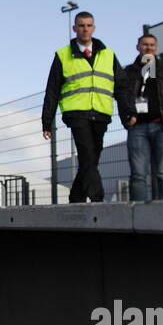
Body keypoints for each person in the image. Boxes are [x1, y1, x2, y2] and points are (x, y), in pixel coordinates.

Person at [41, 11, 133, 203]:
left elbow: (122, 87)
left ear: (94, 28)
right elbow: (52, 90)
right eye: (81, 25)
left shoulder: (108, 55)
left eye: (88, 25)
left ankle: (76, 197)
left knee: (90, 160)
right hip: (77, 114)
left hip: (101, 113)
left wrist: (127, 113)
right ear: (74, 28)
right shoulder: (62, 55)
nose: (85, 29)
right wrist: (47, 121)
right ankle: (98, 198)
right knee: (87, 155)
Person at [120, 33, 163, 201]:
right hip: (137, 128)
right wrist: (127, 117)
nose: (148, 48)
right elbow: (121, 97)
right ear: (138, 47)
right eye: (144, 44)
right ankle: (138, 214)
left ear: (156, 48)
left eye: (151, 45)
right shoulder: (128, 72)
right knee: (138, 174)